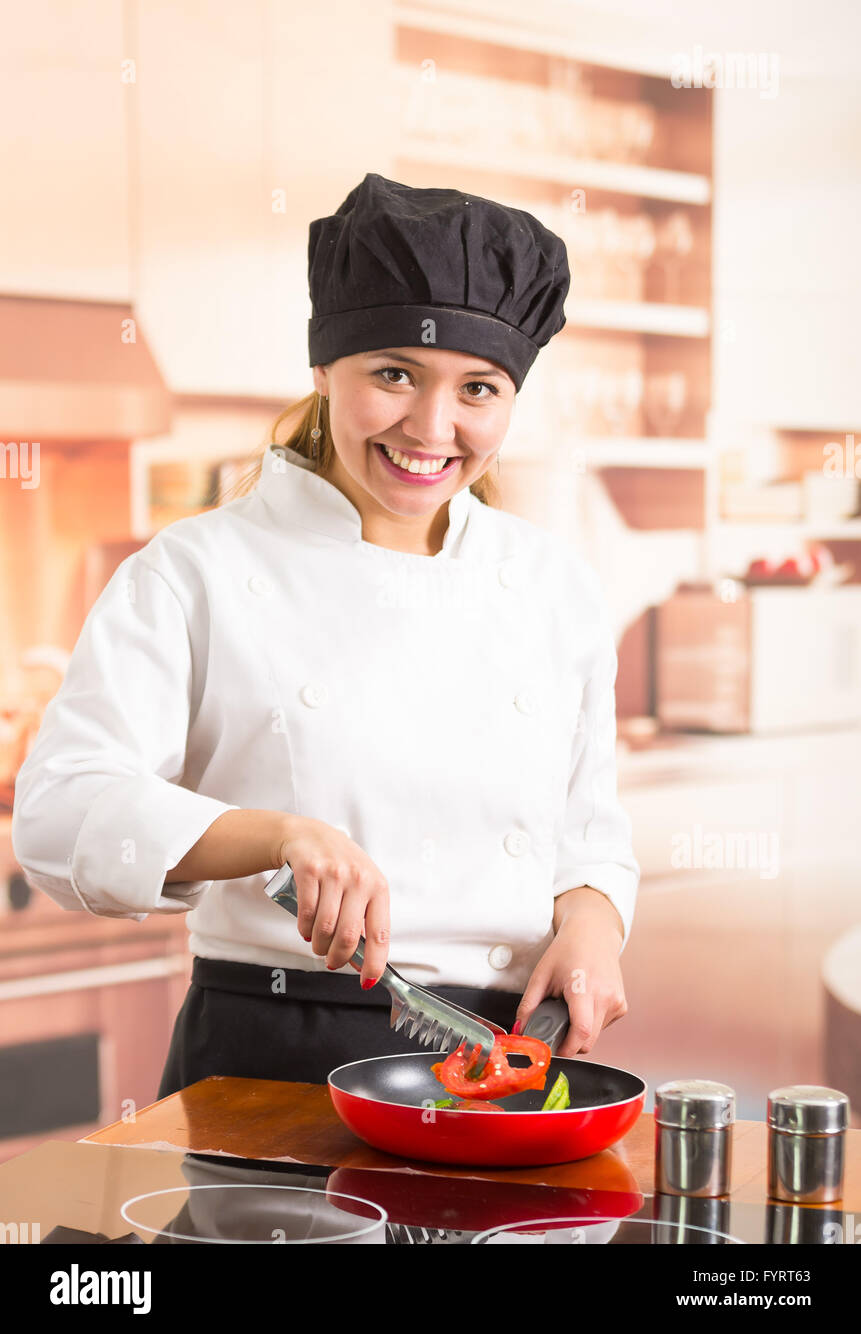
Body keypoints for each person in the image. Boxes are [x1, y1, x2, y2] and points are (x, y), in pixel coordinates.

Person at [11, 172, 640, 1097]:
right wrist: (276, 836)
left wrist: (592, 924)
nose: (432, 427)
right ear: (322, 370)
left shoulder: (553, 586)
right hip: (273, 1055)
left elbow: (587, 835)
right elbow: (59, 811)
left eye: (478, 388)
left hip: (504, 1064)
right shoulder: (194, 571)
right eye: (393, 374)